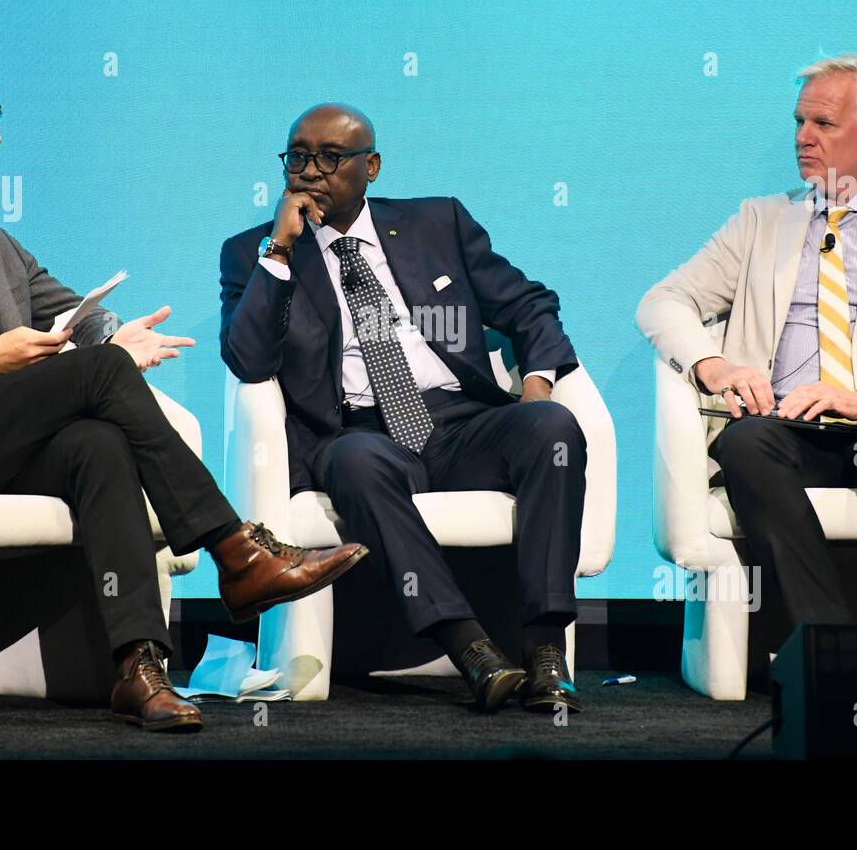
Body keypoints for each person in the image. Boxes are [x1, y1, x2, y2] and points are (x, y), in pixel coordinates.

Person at [0, 74, 367, 733]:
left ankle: (138, 667)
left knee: (98, 446)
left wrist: (113, 333)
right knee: (100, 377)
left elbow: (70, 312)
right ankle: (235, 551)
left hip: (18, 445)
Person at [219, 103, 586, 713]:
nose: (310, 172)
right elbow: (250, 361)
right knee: (357, 460)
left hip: (459, 422)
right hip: (359, 432)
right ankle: (471, 650)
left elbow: (528, 305)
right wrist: (279, 252)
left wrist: (537, 387)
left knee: (551, 427)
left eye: (331, 158)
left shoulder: (435, 223)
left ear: (372, 167)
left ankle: (546, 649)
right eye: (298, 156)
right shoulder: (251, 253)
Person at [637, 54, 857, 627]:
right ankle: (830, 646)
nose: (803, 138)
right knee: (745, 442)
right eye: (800, 122)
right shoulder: (761, 221)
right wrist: (714, 365)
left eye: (823, 124)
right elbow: (662, 301)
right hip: (794, 434)